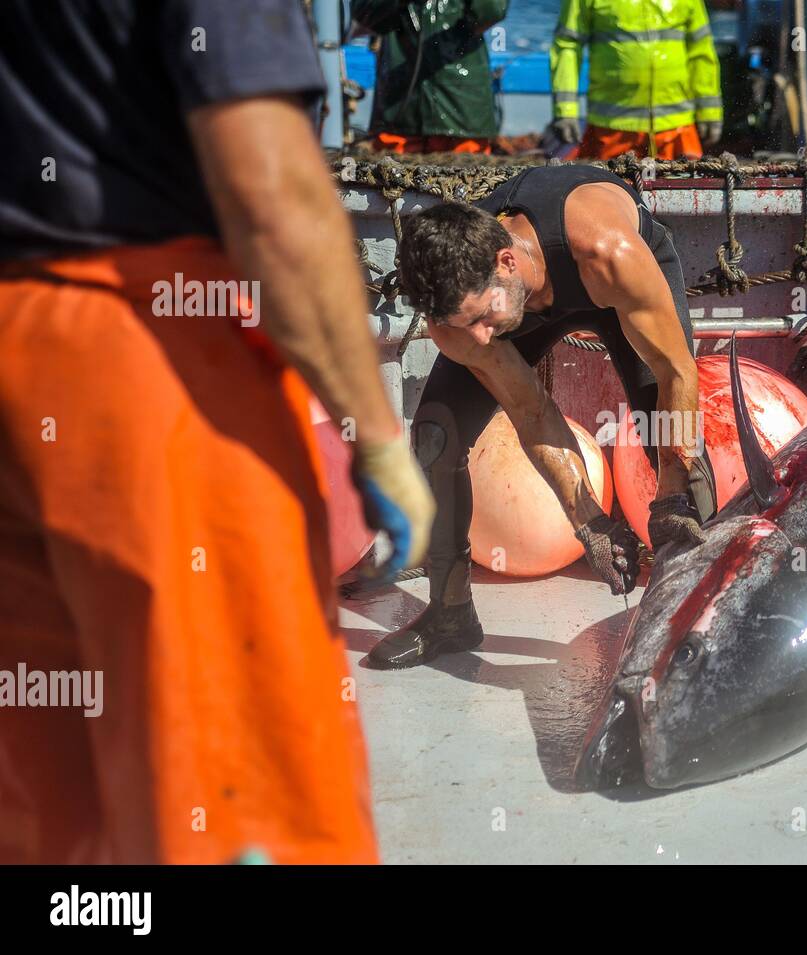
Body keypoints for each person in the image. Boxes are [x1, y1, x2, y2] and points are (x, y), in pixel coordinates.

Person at [0, 0, 433, 863]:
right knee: (241, 795)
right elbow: (267, 189)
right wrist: (377, 430)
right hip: (146, 359)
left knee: (52, 804)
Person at [365, 165, 717, 669]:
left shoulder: (609, 252)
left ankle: (707, 615)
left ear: (506, 261)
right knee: (434, 438)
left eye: (483, 317)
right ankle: (450, 617)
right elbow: (530, 410)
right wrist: (589, 521)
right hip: (525, 299)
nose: (482, 338)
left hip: (599, 277)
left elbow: (676, 372)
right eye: (465, 325)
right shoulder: (463, 321)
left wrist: (671, 490)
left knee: (664, 428)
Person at [548, 0, 723, 159]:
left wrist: (709, 111)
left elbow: (701, 52)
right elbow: (567, 45)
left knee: (685, 188)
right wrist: (565, 110)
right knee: (607, 191)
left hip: (677, 128)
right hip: (612, 129)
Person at [354, 0, 509, 155]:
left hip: (460, 104)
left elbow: (492, 11)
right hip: (400, 106)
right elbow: (364, 13)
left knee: (470, 171)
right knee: (390, 171)